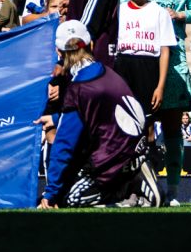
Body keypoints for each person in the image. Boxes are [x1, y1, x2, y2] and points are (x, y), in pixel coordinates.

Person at [39, 20, 161, 207]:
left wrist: (50, 193)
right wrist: (56, 119)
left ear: (58, 52)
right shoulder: (108, 73)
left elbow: (64, 144)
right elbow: (100, 115)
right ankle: (131, 184)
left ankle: (127, 191)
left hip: (111, 159)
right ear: (91, 45)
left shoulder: (79, 88)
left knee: (69, 198)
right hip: (136, 150)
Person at [135, 0, 191, 202]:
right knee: (144, 128)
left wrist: (181, 15)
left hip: (175, 61)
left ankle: (173, 188)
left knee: (173, 126)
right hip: (142, 62)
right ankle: (147, 186)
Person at [108, 0, 176, 193]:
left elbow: (165, 50)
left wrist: (160, 85)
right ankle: (124, 186)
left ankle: (150, 184)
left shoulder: (159, 12)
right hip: (123, 68)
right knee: (124, 128)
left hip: (148, 70)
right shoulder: (117, 10)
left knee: (147, 129)